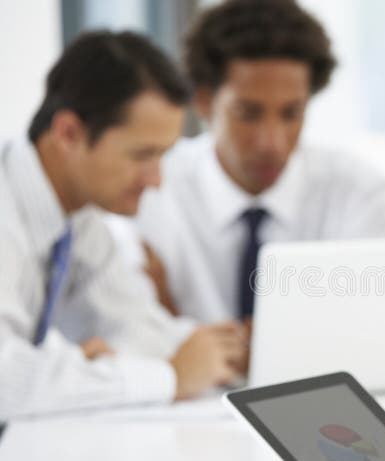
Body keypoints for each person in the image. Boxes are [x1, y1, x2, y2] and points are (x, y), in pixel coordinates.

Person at [0, 31, 248, 421]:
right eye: (142, 155)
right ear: (68, 133)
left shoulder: (77, 219)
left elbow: (132, 323)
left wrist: (226, 350)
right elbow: (5, 382)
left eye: (162, 155)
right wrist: (169, 377)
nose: (156, 180)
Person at [132, 0, 385, 324]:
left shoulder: (357, 192)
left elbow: (370, 326)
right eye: (249, 113)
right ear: (204, 101)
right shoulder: (151, 189)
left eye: (291, 113)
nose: (271, 142)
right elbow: (134, 326)